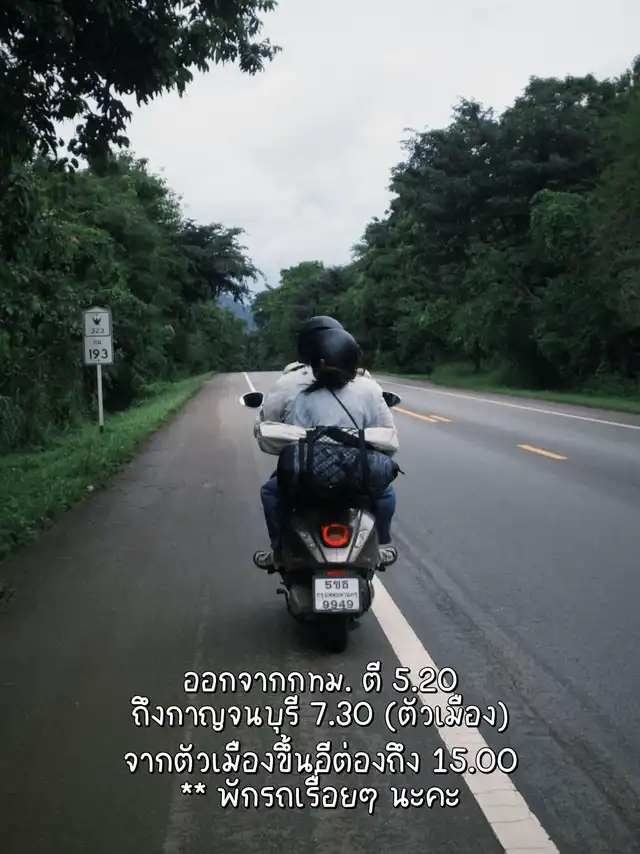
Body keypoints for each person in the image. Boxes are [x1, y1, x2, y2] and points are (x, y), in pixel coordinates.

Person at [255, 327, 399, 570]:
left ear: (318, 364)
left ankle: (278, 551)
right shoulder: (369, 391)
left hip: (310, 480)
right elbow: (387, 441)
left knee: (270, 493)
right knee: (387, 495)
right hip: (357, 478)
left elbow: (295, 444)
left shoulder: (304, 398)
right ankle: (380, 547)